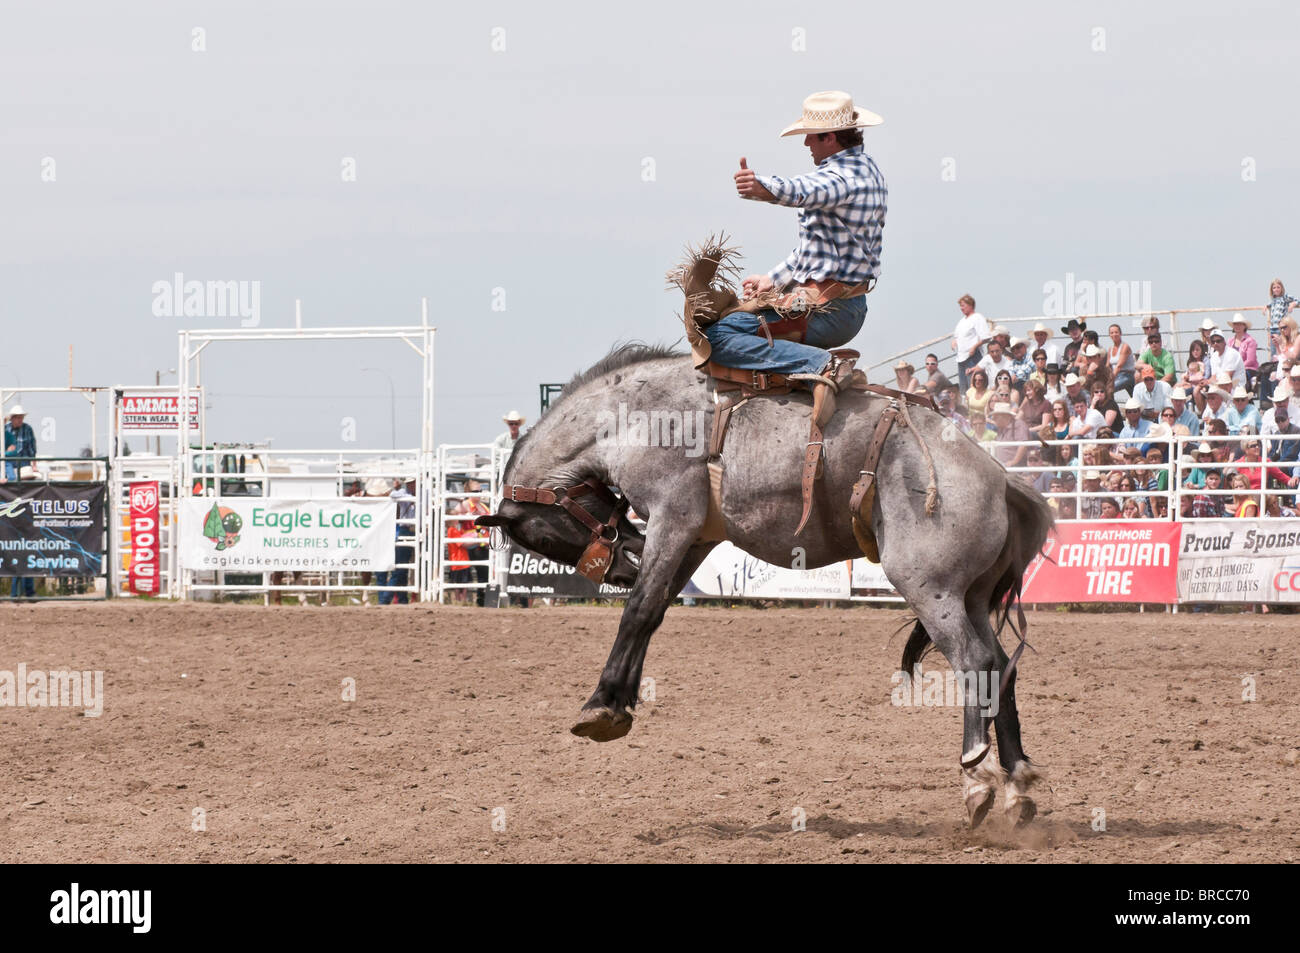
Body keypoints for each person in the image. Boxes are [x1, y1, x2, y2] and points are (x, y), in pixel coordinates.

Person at [709, 90, 887, 383]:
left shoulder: (843, 177)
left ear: (829, 137)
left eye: (811, 136)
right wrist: (773, 280)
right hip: (840, 304)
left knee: (718, 336)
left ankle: (820, 364)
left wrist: (759, 186)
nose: (806, 143)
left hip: (829, 310)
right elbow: (815, 250)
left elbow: (800, 189)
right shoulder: (865, 168)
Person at [456, 478, 491, 607]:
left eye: (480, 490)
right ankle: (461, 600)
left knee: (484, 572)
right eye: (476, 491)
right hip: (469, 544)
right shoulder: (465, 504)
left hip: (483, 543)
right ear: (468, 492)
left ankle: (482, 599)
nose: (479, 493)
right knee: (464, 573)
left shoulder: (483, 506)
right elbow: (453, 519)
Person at [952, 294, 992, 391]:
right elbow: (957, 336)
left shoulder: (977, 317)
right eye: (960, 306)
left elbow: (987, 337)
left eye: (963, 305)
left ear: (970, 305)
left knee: (974, 384)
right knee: (963, 387)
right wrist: (954, 341)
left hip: (973, 357)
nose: (961, 308)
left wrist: (974, 347)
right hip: (961, 357)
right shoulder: (961, 321)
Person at [1263, 278, 1298, 359]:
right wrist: (1266, 306)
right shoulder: (1273, 300)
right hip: (1273, 328)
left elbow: (1297, 300)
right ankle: (1273, 365)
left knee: (1282, 346)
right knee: (1273, 348)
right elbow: (1269, 304)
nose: (1276, 289)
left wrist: (1292, 304)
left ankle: (1282, 362)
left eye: (1278, 287)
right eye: (1274, 287)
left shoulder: (1285, 297)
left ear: (1282, 288)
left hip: (1281, 328)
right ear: (1272, 289)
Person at [3, 404, 36, 482]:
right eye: (18, 417)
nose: (20, 420)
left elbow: (32, 449)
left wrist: (34, 466)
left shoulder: (27, 429)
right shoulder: (5, 428)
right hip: (8, 461)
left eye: (21, 417)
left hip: (23, 461)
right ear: (12, 418)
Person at [990, 402, 1028, 468]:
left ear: (1005, 416)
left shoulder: (1019, 425)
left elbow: (1023, 445)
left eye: (996, 416)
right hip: (1002, 467)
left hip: (1015, 468)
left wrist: (1014, 461)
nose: (993, 419)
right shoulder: (1000, 428)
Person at [1227, 314, 1259, 389]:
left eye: (1239, 324)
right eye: (1235, 324)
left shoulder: (1250, 341)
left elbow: (1251, 360)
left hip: (1248, 369)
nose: (1237, 326)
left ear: (1244, 326)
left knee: (1240, 377)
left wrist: (1237, 368)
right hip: (1233, 369)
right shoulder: (1230, 341)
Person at [1107, 323, 1136, 394]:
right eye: (1112, 333)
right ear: (1109, 335)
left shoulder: (1125, 347)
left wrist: (1110, 380)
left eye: (1116, 332)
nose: (1114, 334)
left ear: (1120, 333)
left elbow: (1119, 366)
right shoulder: (1110, 349)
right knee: (1135, 396)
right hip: (1116, 376)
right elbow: (1107, 365)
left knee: (1108, 390)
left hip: (1127, 375)